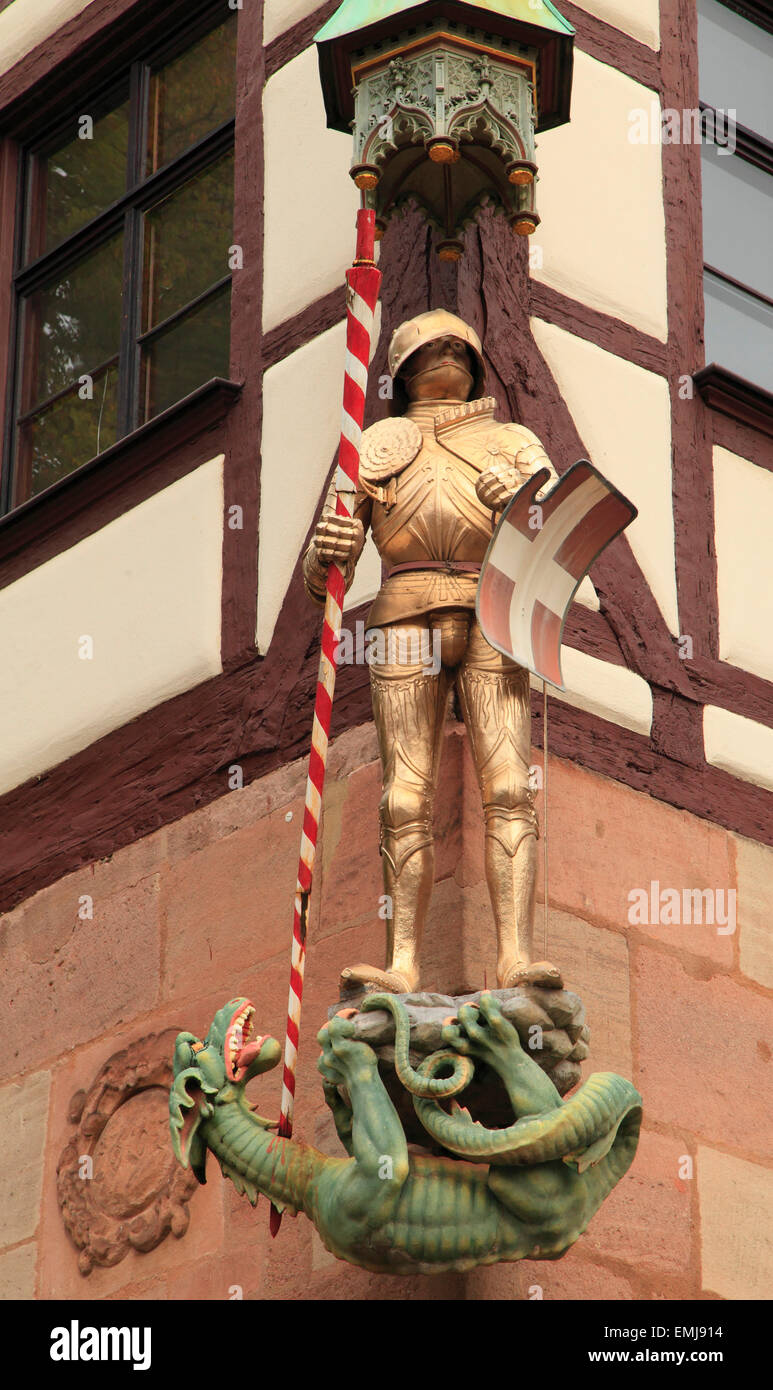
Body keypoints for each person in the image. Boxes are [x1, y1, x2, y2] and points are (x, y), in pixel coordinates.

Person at [303, 309, 563, 994]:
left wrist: (522, 506)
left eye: (456, 348)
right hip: (403, 613)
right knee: (402, 796)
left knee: (510, 785)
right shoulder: (377, 442)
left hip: (492, 611)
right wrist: (326, 554)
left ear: (475, 363)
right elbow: (325, 560)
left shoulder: (512, 440)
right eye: (430, 348)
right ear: (405, 368)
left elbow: (559, 545)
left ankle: (513, 955)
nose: (444, 355)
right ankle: (403, 964)